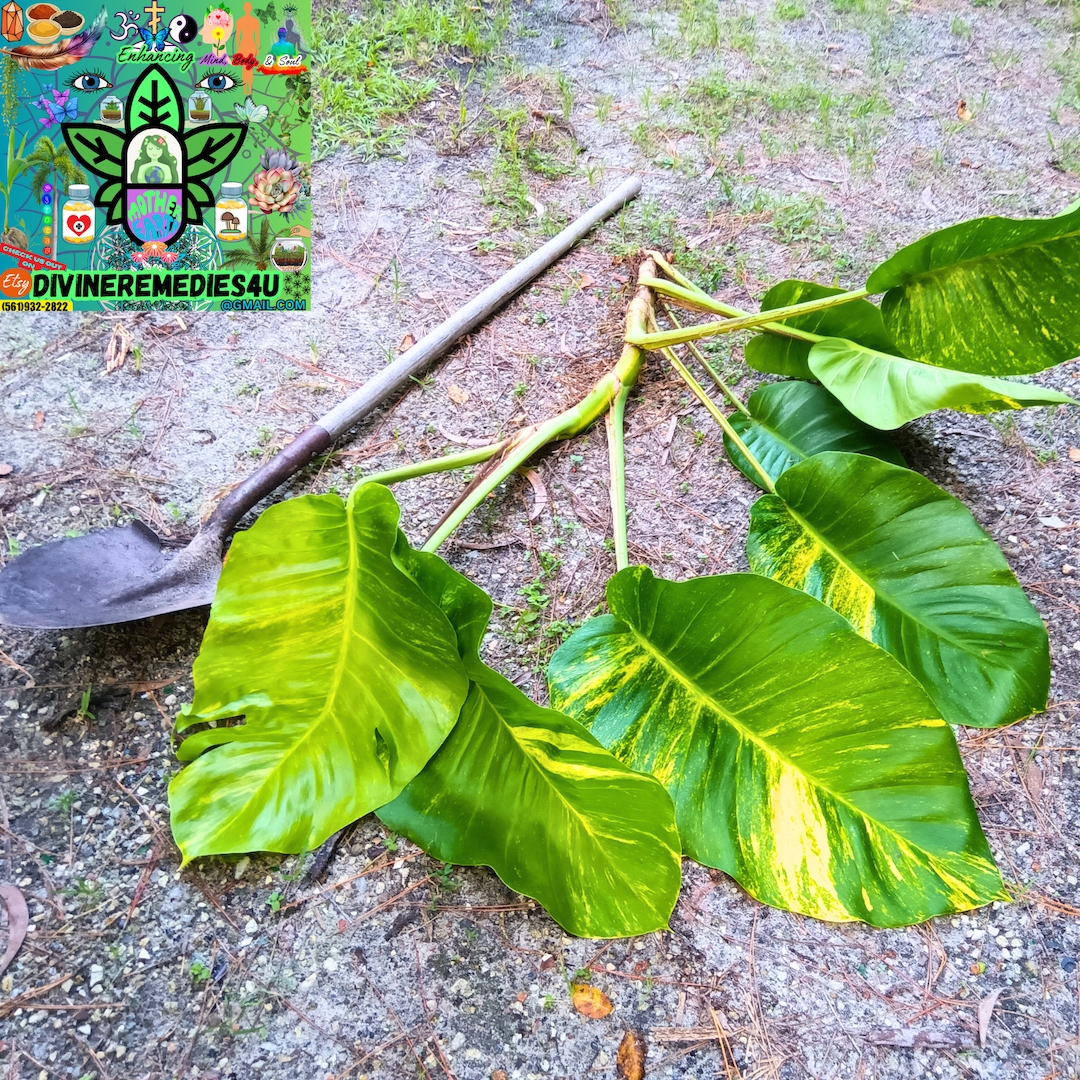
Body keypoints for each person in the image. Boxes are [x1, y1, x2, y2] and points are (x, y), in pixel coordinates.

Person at [234, 1, 260, 95]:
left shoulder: (241, 21)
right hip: (248, 44)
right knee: (248, 68)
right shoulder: (253, 21)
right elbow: (257, 37)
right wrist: (257, 48)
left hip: (246, 44)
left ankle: (247, 89)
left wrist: (237, 49)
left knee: (246, 68)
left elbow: (238, 37)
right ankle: (247, 89)